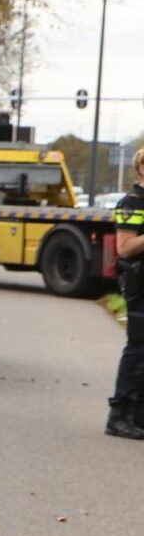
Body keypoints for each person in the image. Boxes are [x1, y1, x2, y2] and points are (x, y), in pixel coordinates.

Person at [108, 151, 144, 440]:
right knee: (138, 349)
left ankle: (138, 415)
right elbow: (125, 247)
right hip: (140, 285)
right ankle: (118, 415)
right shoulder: (131, 204)